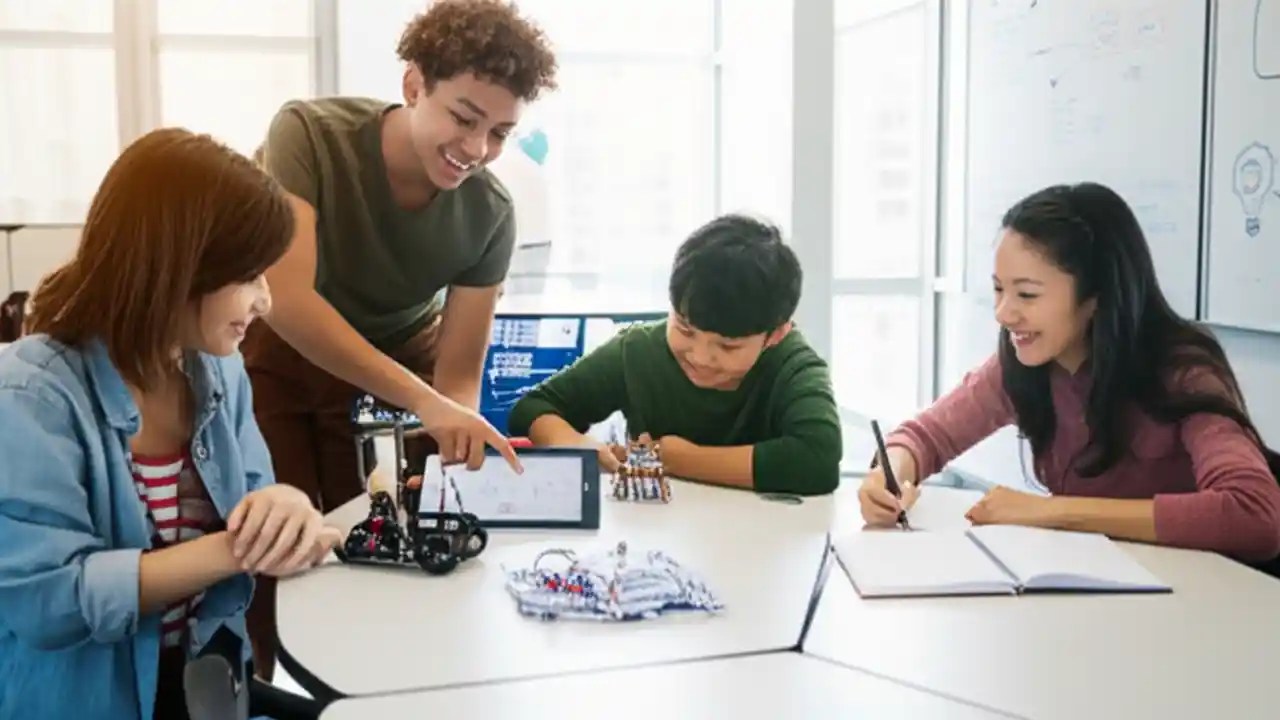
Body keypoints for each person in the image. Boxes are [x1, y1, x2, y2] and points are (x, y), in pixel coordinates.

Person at [245, 0, 557, 678]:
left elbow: (458, 377)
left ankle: (401, 687)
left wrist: (453, 431)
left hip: (401, 364)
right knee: (283, 547)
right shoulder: (308, 133)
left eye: (501, 132)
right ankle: (281, 692)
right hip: (281, 352)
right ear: (414, 86)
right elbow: (285, 300)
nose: (478, 150)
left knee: (401, 542)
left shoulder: (492, 216)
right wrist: (426, 402)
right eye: (464, 118)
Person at [0, 128, 338, 720]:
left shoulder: (218, 371)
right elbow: (49, 602)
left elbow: (258, 500)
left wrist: (286, 508)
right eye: (250, 277)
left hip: (201, 685)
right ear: (180, 270)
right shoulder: (31, 392)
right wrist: (237, 550)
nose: (265, 302)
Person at [858, 182, 1280, 567]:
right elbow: (925, 436)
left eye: (1026, 294)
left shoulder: (1183, 368)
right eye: (999, 289)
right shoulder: (1023, 364)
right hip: (1106, 587)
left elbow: (1255, 513)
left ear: (1096, 296)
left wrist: (1051, 511)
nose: (1004, 314)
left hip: (1209, 601)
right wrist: (889, 475)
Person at [508, 214, 842, 497]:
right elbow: (533, 409)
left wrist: (676, 458)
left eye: (727, 346)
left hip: (763, 544)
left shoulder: (793, 365)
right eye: (684, 329)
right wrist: (577, 445)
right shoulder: (638, 351)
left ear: (776, 334)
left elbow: (817, 460)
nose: (699, 355)